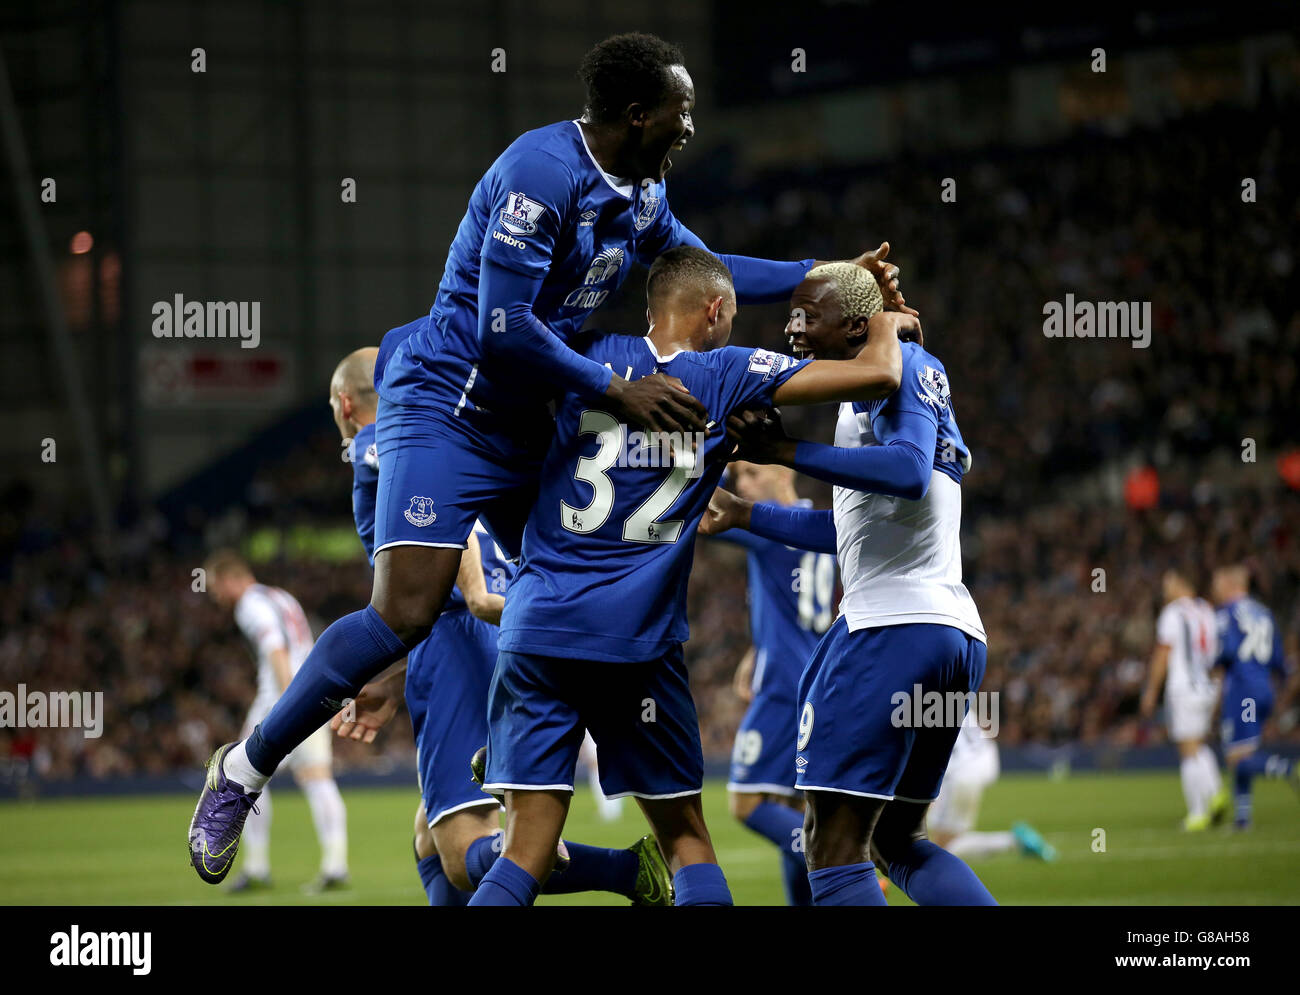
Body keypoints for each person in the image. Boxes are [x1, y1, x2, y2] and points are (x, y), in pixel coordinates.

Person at [188, 32, 909, 883]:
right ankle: (243, 770)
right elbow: (502, 329)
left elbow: (700, 267)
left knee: (562, 580)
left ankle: (519, 785)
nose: (687, 130)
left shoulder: (644, 192)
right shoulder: (539, 174)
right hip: (451, 402)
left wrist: (818, 275)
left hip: (540, 410)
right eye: (677, 115)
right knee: (409, 607)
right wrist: (614, 388)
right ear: (635, 114)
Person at [469, 245, 914, 906]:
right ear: (715, 310)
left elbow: (502, 354)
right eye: (732, 312)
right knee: (686, 841)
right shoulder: (724, 371)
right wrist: (886, 315)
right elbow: (880, 374)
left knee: (525, 852)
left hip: (536, 623)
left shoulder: (582, 355)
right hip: (635, 642)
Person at [326, 346, 672, 905]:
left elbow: (430, 503)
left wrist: (471, 590)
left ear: (346, 405)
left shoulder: (383, 439)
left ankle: (631, 873)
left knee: (465, 853)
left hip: (462, 636)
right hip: (504, 630)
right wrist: (392, 676)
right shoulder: (467, 436)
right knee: (429, 837)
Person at [700, 260, 995, 905]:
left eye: (808, 315)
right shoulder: (888, 388)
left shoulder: (905, 375)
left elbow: (911, 471)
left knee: (830, 849)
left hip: (891, 631)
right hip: (947, 634)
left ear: (859, 325)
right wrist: (749, 514)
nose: (794, 329)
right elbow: (851, 536)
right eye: (791, 314)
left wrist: (782, 452)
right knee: (894, 843)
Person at [714, 461, 835, 905]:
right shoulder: (820, 527)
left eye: (749, 473)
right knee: (793, 811)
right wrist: (756, 651)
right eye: (735, 477)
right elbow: (798, 608)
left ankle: (845, 862)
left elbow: (704, 511)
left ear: (784, 471)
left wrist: (690, 450)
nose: (741, 486)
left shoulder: (771, 528)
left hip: (784, 687)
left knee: (746, 804)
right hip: (813, 680)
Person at [202, 551, 349, 893]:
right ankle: (335, 865)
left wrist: (289, 703)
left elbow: (276, 648)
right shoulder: (281, 596)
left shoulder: (250, 605)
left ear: (229, 579)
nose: (215, 597)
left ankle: (256, 867)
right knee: (316, 778)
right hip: (313, 689)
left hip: (281, 697)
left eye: (215, 588)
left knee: (238, 775)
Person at [1210, 563, 1299, 829]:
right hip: (1263, 689)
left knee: (1238, 758)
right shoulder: (1264, 613)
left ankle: (1289, 769)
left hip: (1243, 691)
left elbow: (1224, 653)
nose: (1214, 589)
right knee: (1242, 752)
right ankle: (1242, 818)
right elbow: (1280, 661)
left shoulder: (1227, 613)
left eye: (1217, 583)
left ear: (1231, 585)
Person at [1139, 569, 1223, 830]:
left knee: (1187, 751)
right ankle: (1216, 792)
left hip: (1183, 687)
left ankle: (1199, 812)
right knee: (1198, 744)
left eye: (1168, 581)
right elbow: (1216, 654)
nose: (1165, 587)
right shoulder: (1208, 611)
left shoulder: (1173, 613)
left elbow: (1163, 654)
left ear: (1180, 583)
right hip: (1207, 685)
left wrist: (1151, 690)